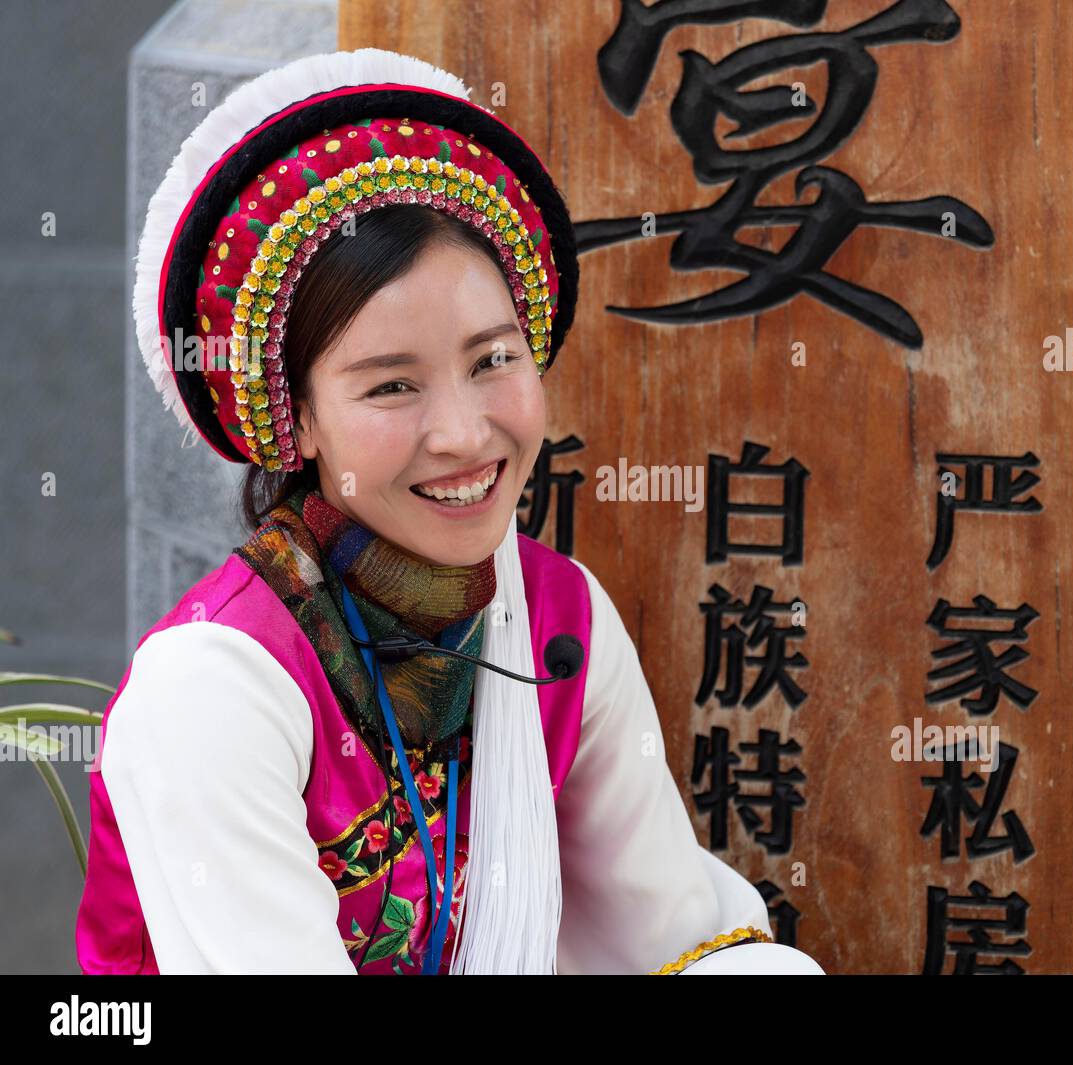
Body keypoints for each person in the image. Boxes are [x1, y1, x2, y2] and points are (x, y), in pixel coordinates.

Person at [74, 47, 824, 976]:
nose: (465, 434)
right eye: (392, 385)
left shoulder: (558, 622)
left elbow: (672, 938)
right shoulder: (215, 690)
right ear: (297, 418)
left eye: (493, 360)